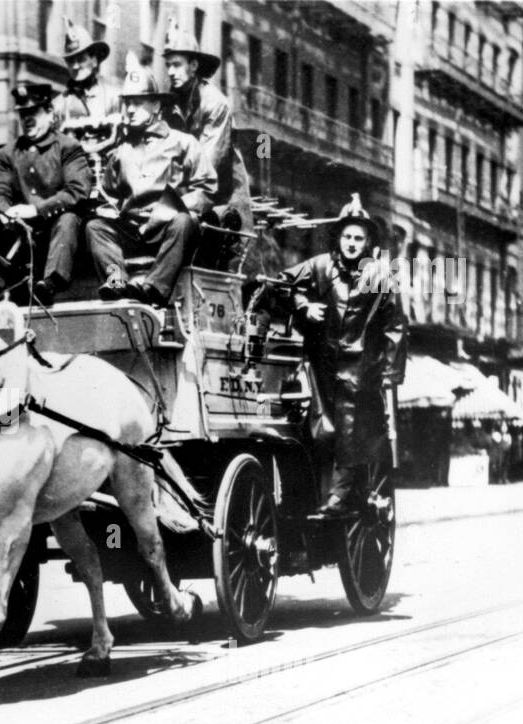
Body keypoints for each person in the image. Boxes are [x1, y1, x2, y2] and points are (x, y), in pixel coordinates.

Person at [276, 197, 407, 516]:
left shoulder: (379, 275)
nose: (351, 244)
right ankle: (309, 496)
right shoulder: (319, 265)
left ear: (368, 242)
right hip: (322, 366)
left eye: (358, 238)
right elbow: (280, 284)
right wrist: (304, 305)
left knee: (349, 429)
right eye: (347, 237)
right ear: (339, 239)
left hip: (361, 370)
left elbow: (395, 326)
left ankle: (341, 494)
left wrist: (390, 375)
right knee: (321, 429)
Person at [84, 68, 217, 304]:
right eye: (127, 103)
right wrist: (109, 210)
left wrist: (175, 207)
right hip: (132, 231)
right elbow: (109, 196)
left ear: (156, 105)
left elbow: (206, 188)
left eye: (138, 103)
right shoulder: (121, 151)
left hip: (167, 229)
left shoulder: (183, 143)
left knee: (185, 222)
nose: (131, 110)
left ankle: (153, 289)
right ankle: (116, 279)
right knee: (95, 227)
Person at [0, 81, 92, 306]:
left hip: (57, 232)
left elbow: (77, 190)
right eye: (23, 114)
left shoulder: (67, 147)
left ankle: (51, 282)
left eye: (34, 112)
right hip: (23, 233)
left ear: (50, 113)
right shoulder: (10, 153)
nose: (27, 119)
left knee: (68, 218)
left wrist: (35, 209)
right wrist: (4, 211)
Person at [160, 21, 253, 241]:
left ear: (193, 66)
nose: (171, 72)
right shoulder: (169, 105)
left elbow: (207, 168)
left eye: (177, 65)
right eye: (168, 66)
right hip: (184, 192)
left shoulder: (215, 104)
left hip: (221, 201)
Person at [53, 19, 121, 208]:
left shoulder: (115, 98)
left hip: (112, 193)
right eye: (70, 60)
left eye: (80, 58)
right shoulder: (59, 106)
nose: (75, 66)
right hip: (74, 194)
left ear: (95, 59)